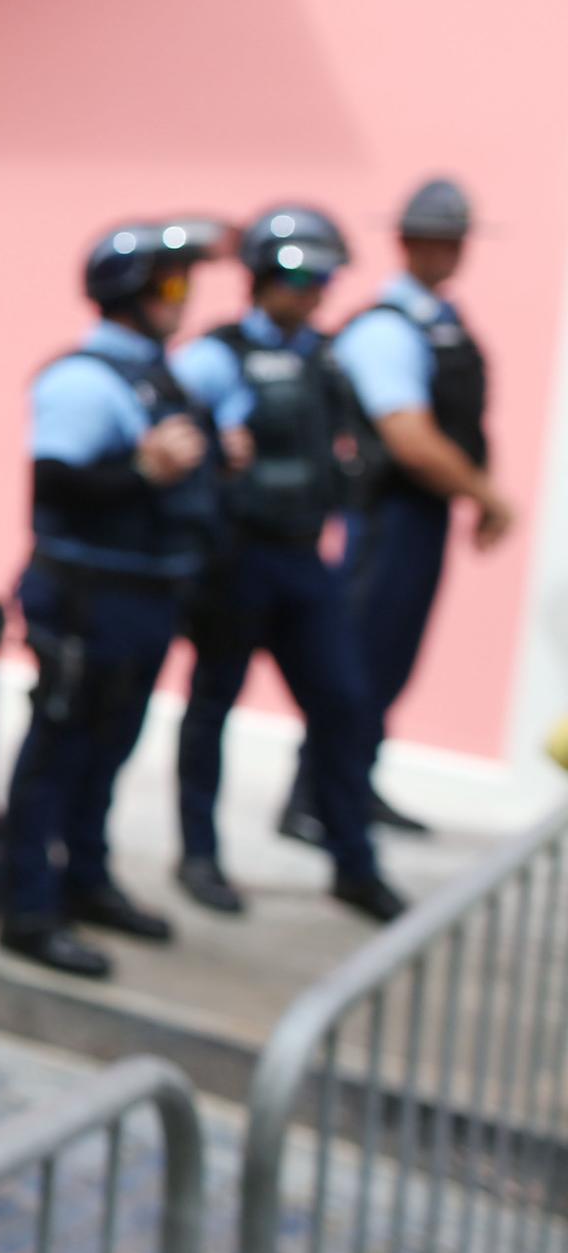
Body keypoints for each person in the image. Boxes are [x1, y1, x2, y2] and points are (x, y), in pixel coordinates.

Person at [0, 219, 224, 980]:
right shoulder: (84, 380)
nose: (183, 298)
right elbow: (55, 483)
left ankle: (86, 879)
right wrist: (144, 471)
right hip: (87, 597)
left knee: (111, 748)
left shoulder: (160, 375)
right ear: (128, 292)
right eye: (170, 283)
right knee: (59, 750)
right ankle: (28, 906)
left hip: (147, 593)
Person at [166, 205, 406, 923]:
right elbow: (176, 444)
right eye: (301, 278)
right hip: (237, 560)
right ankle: (199, 854)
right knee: (212, 706)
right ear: (263, 277)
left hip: (306, 559)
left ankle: (353, 861)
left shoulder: (329, 358)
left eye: (324, 280)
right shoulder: (216, 357)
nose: (313, 294)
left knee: (344, 703)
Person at [283, 176, 511, 846]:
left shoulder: (440, 322)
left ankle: (353, 780)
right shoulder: (387, 329)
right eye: (437, 238)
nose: (449, 251)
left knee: (390, 658)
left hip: (423, 515)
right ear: (409, 242)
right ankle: (315, 795)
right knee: (358, 656)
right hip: (388, 516)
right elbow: (410, 437)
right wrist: (487, 495)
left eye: (455, 239)